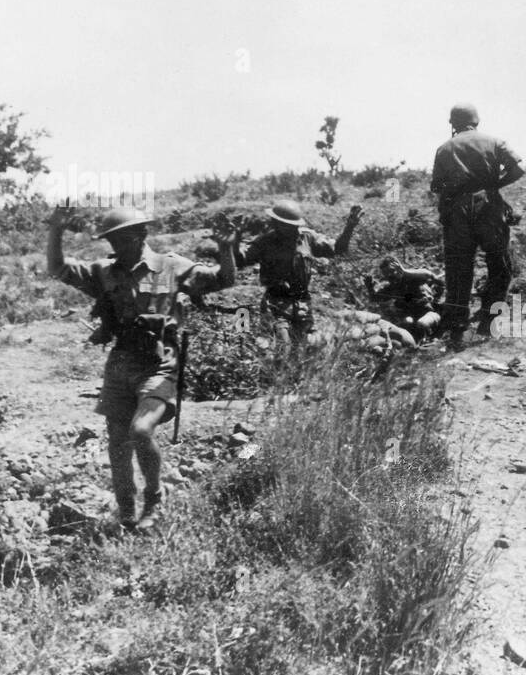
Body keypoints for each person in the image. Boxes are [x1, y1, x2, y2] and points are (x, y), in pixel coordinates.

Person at [47, 203, 237, 531]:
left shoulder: (172, 267)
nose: (117, 246)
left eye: (124, 239)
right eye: (112, 241)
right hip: (121, 363)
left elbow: (223, 279)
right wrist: (55, 231)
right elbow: (58, 268)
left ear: (142, 234)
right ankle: (126, 509)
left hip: (161, 363)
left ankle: (154, 498)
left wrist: (226, 248)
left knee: (140, 431)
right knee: (117, 443)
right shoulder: (103, 272)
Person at [431, 103, 524, 349]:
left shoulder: (444, 148)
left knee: (459, 268)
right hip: (490, 207)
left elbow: (437, 186)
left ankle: (458, 327)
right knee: (499, 264)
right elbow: (518, 169)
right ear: (477, 121)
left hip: (457, 210)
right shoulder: (494, 141)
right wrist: (494, 185)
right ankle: (489, 322)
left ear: (453, 124)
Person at [230, 200, 363, 346]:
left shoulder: (308, 237)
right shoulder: (265, 242)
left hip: (302, 304)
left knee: (302, 350)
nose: (290, 229)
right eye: (283, 224)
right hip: (276, 303)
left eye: (293, 225)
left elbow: (338, 250)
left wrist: (349, 227)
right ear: (275, 223)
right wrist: (235, 240)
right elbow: (240, 260)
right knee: (283, 348)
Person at [365, 256, 444, 341]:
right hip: (413, 318)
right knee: (406, 324)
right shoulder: (391, 288)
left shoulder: (412, 277)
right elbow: (375, 298)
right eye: (386, 274)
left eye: (392, 271)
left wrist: (404, 271)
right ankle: (420, 342)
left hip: (430, 313)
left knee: (422, 323)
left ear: (398, 268)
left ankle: (431, 338)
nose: (390, 275)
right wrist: (370, 287)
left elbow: (429, 275)